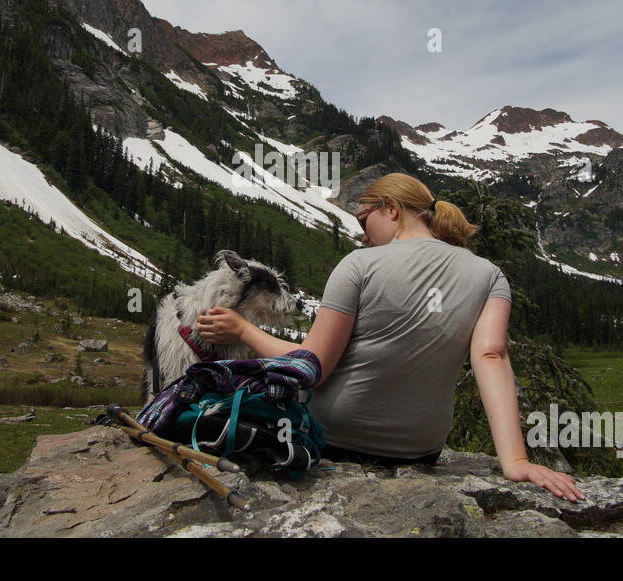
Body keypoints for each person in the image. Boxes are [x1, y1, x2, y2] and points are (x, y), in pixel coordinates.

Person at [197, 172, 584, 502]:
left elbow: (312, 366)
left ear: (392, 209)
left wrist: (243, 330)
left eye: (364, 220)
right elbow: (492, 357)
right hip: (420, 450)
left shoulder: (359, 264)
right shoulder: (488, 275)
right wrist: (515, 462)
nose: (363, 235)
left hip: (332, 438)